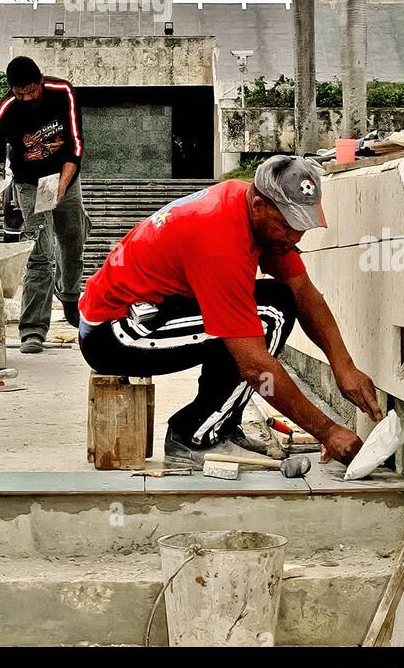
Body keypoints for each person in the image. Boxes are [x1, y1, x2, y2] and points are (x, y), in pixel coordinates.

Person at [78, 155, 381, 467]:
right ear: (260, 205)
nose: (295, 237)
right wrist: (327, 430)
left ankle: (220, 425)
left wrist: (343, 366)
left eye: (302, 226)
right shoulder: (219, 241)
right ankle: (194, 437)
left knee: (279, 299)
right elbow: (254, 367)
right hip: (113, 334)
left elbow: (303, 293)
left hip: (150, 310)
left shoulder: (254, 213)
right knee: (267, 317)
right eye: (288, 225)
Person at [0, 56, 90, 354]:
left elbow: (75, 144)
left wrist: (63, 185)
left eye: (31, 91)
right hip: (30, 185)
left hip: (64, 178)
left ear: (40, 81)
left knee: (72, 243)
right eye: (19, 93)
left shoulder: (62, 92)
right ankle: (33, 329)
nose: (26, 98)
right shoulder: (6, 110)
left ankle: (71, 297)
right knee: (40, 254)